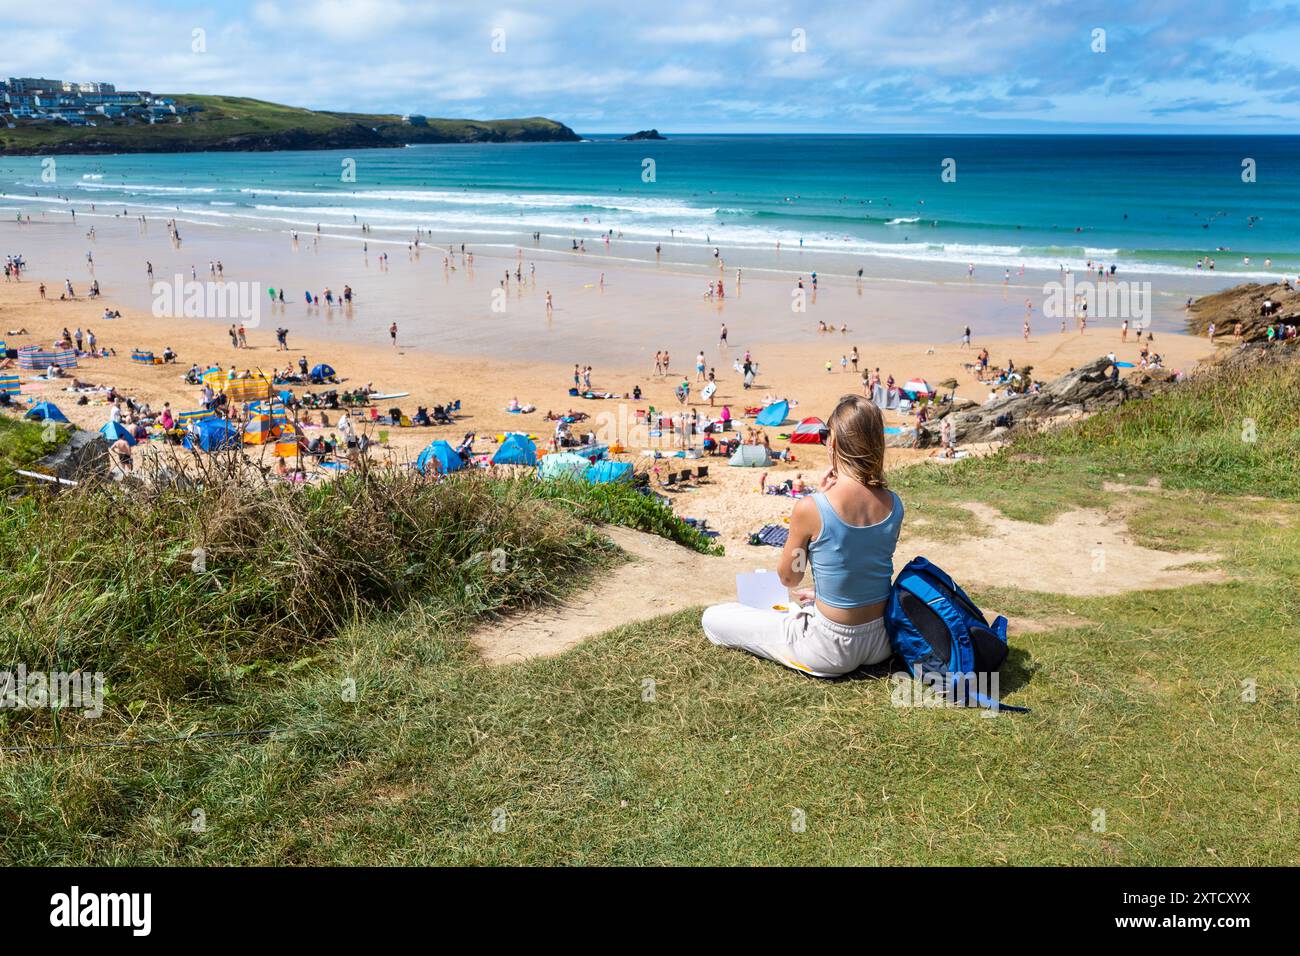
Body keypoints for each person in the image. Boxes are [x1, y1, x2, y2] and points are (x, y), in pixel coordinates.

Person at [701, 395, 902, 677]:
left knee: (713, 618)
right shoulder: (894, 504)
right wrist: (824, 594)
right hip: (881, 640)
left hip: (829, 648)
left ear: (835, 442)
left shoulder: (812, 507)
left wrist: (813, 507)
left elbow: (789, 578)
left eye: (825, 435)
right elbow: (862, 563)